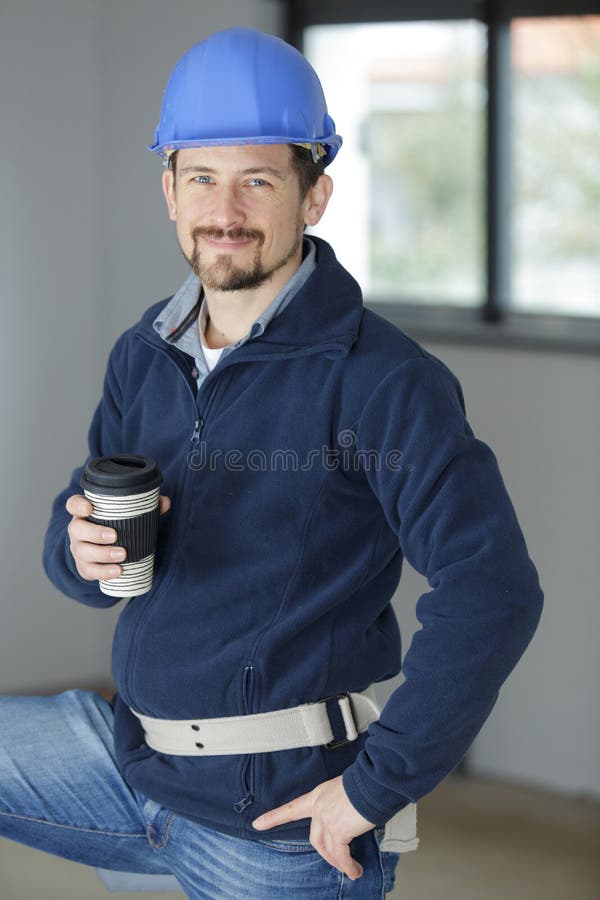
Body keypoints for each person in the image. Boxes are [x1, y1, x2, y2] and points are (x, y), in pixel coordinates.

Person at [0, 27, 543, 899]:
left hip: (276, 821)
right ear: (168, 192)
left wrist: (375, 788)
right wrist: (81, 554)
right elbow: (86, 549)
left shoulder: (384, 379)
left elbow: (495, 591)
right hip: (130, 762)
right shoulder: (147, 351)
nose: (227, 209)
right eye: (203, 179)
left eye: (258, 180)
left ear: (313, 196)